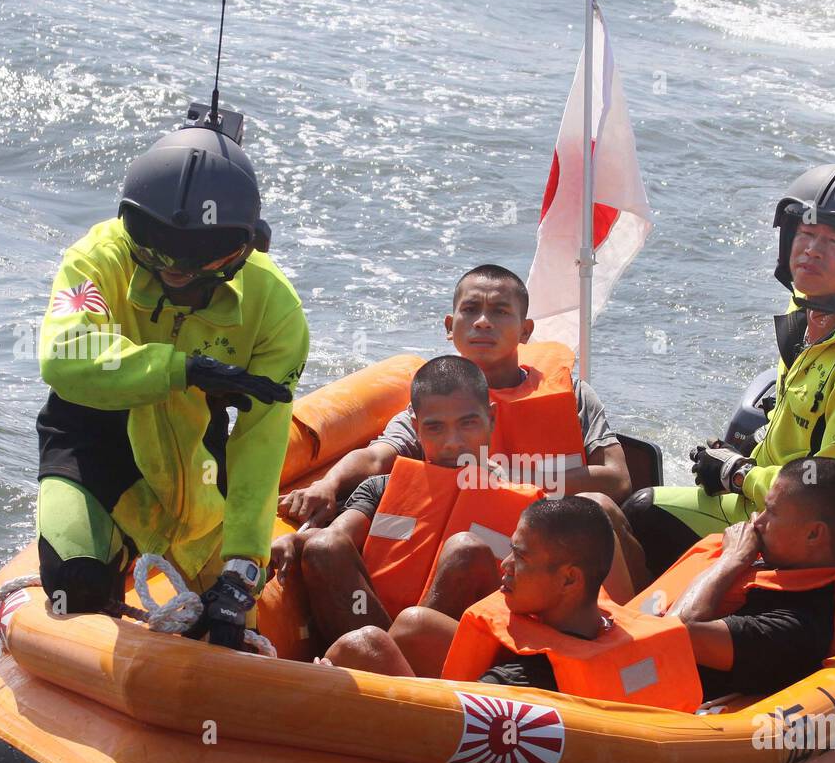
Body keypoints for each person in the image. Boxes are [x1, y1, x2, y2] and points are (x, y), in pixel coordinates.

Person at [34, 107, 308, 649]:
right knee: (76, 584)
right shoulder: (98, 257)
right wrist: (181, 369)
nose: (176, 271)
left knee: (228, 631)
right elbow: (64, 356)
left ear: (244, 246)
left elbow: (261, 441)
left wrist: (243, 568)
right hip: (93, 440)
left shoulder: (276, 310)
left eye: (196, 260)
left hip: (200, 462)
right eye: (157, 254)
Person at [623, 160, 835, 611]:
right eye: (804, 235)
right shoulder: (813, 315)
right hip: (772, 511)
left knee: (755, 596)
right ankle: (631, 636)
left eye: (833, 243)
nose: (810, 251)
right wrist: (740, 464)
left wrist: (738, 473)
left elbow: (827, 502)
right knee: (640, 512)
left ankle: (696, 649)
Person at [277, 264, 630, 526]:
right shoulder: (435, 395)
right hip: (471, 537)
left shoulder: (574, 395)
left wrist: (508, 483)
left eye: (500, 311)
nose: (482, 322)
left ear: (525, 331)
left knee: (600, 506)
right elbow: (376, 459)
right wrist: (328, 484)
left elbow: (618, 479)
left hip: (553, 530)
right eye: (471, 309)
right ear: (450, 327)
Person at [325, 497, 705, 712]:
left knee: (364, 646)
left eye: (520, 557)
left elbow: (447, 734)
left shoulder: (516, 681)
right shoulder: (597, 618)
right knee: (415, 625)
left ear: (570, 578)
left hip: (481, 737)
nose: (504, 565)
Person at [270, 355, 544, 647]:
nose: (453, 442)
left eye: (468, 424)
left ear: (491, 419)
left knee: (466, 549)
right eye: (436, 428)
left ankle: (394, 666)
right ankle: (385, 664)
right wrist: (294, 541)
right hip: (369, 631)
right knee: (324, 546)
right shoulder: (381, 488)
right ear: (416, 427)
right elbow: (337, 535)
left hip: (450, 652)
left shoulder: (527, 512)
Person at [640, 457, 835, 698]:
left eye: (771, 512)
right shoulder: (769, 567)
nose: (757, 520)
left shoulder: (797, 627)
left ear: (814, 534)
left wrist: (732, 559)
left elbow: (673, 637)